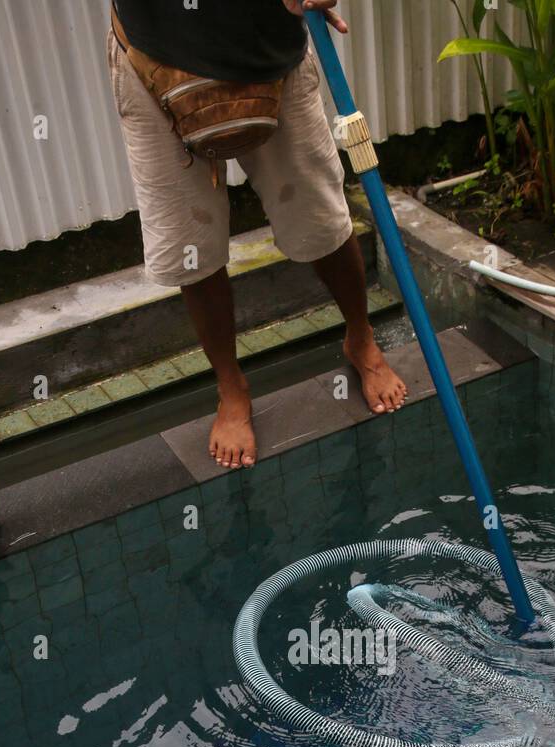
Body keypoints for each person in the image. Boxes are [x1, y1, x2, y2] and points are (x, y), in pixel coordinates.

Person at [108, 0, 408, 470]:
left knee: (321, 219)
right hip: (154, 53)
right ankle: (231, 387)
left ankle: (360, 338)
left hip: (269, 47)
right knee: (192, 245)